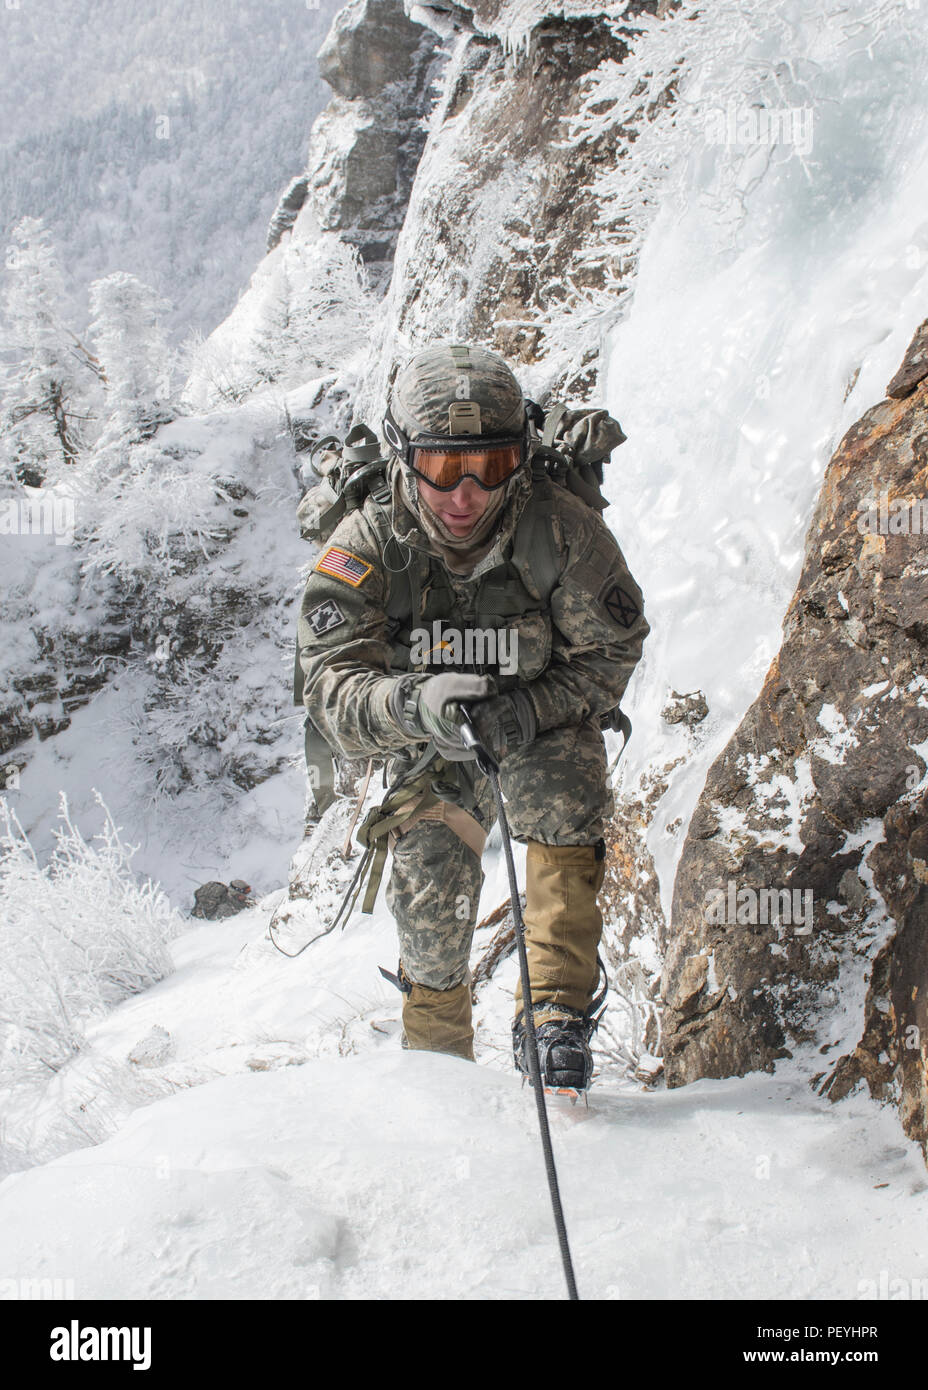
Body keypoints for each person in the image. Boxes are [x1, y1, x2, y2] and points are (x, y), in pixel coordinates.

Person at [297, 342, 648, 1091]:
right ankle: (438, 1071)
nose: (464, 495)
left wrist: (525, 712)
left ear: (519, 460)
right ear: (403, 459)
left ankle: (555, 1020)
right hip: (429, 742)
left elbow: (612, 650)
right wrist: (412, 705)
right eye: (441, 467)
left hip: (536, 721)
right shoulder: (363, 546)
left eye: (489, 468)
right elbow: (331, 689)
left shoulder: (560, 532)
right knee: (427, 891)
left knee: (563, 800)